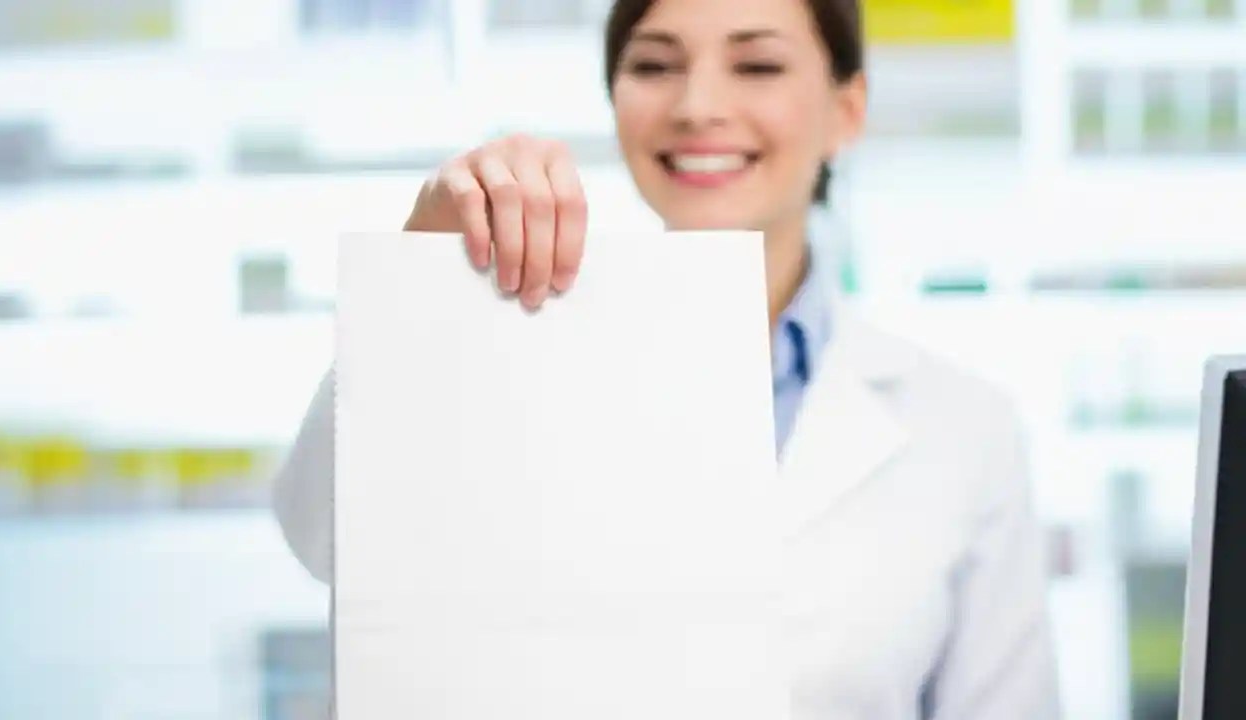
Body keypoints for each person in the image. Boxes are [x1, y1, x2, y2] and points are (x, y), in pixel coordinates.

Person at [272, 0, 1061, 716]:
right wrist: (424, 287)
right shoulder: (511, 340)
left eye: (758, 64)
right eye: (653, 65)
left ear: (845, 111)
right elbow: (319, 538)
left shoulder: (967, 430)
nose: (698, 108)